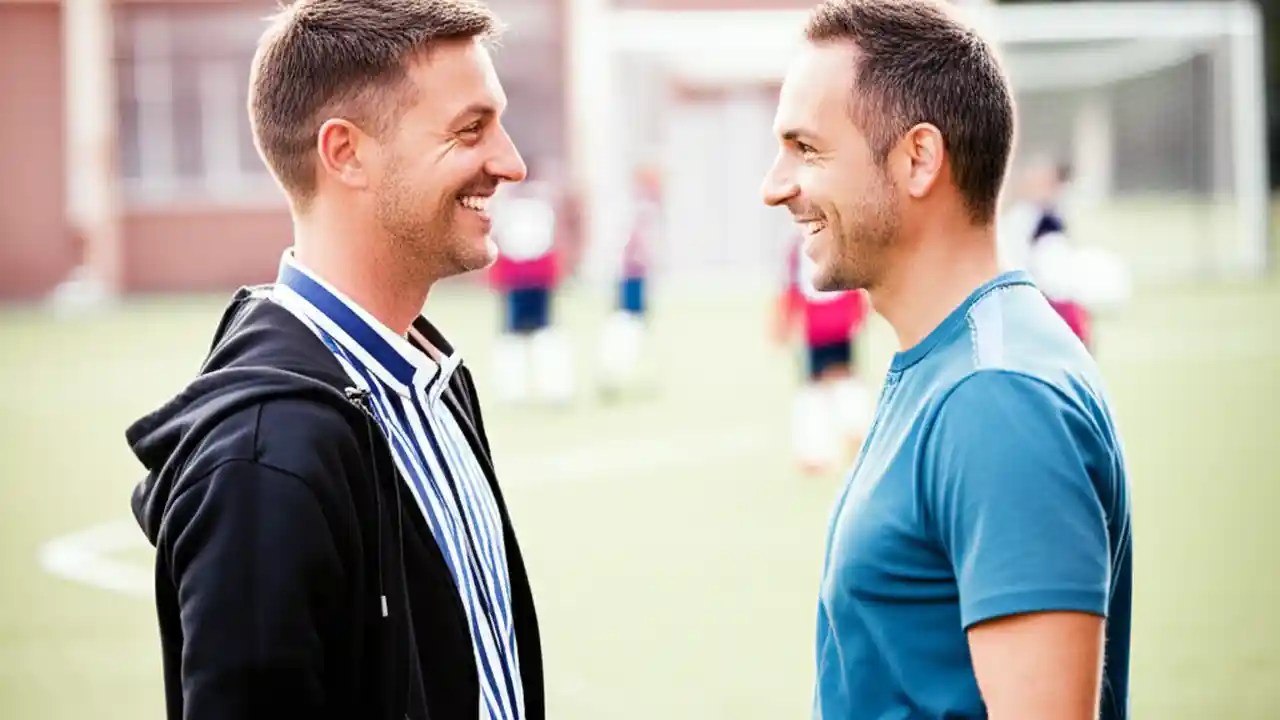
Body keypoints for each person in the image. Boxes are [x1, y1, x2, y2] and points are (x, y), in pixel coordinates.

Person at [125, 2, 543, 718]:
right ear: (346, 152)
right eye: (470, 129)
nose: (511, 161)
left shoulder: (434, 385)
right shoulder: (262, 457)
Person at [760, 2, 1133, 719]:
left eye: (806, 149)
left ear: (919, 159)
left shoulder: (997, 397)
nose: (774, 185)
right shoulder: (951, 362)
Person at [773, 232, 872, 473]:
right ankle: (853, 433)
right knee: (839, 377)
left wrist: (784, 321)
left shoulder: (803, 245)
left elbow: (792, 288)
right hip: (834, 320)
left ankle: (821, 450)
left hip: (819, 323)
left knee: (818, 384)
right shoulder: (832, 237)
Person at [487, 165, 574, 404]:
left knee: (539, 334)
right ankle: (524, 390)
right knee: (519, 337)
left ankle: (545, 388)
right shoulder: (527, 206)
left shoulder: (532, 206)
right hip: (521, 277)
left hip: (531, 276)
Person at [598, 164, 663, 396]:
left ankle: (624, 373)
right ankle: (617, 372)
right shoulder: (640, 210)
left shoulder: (639, 208)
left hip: (633, 276)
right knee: (629, 324)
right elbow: (633, 247)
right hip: (632, 277)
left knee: (633, 324)